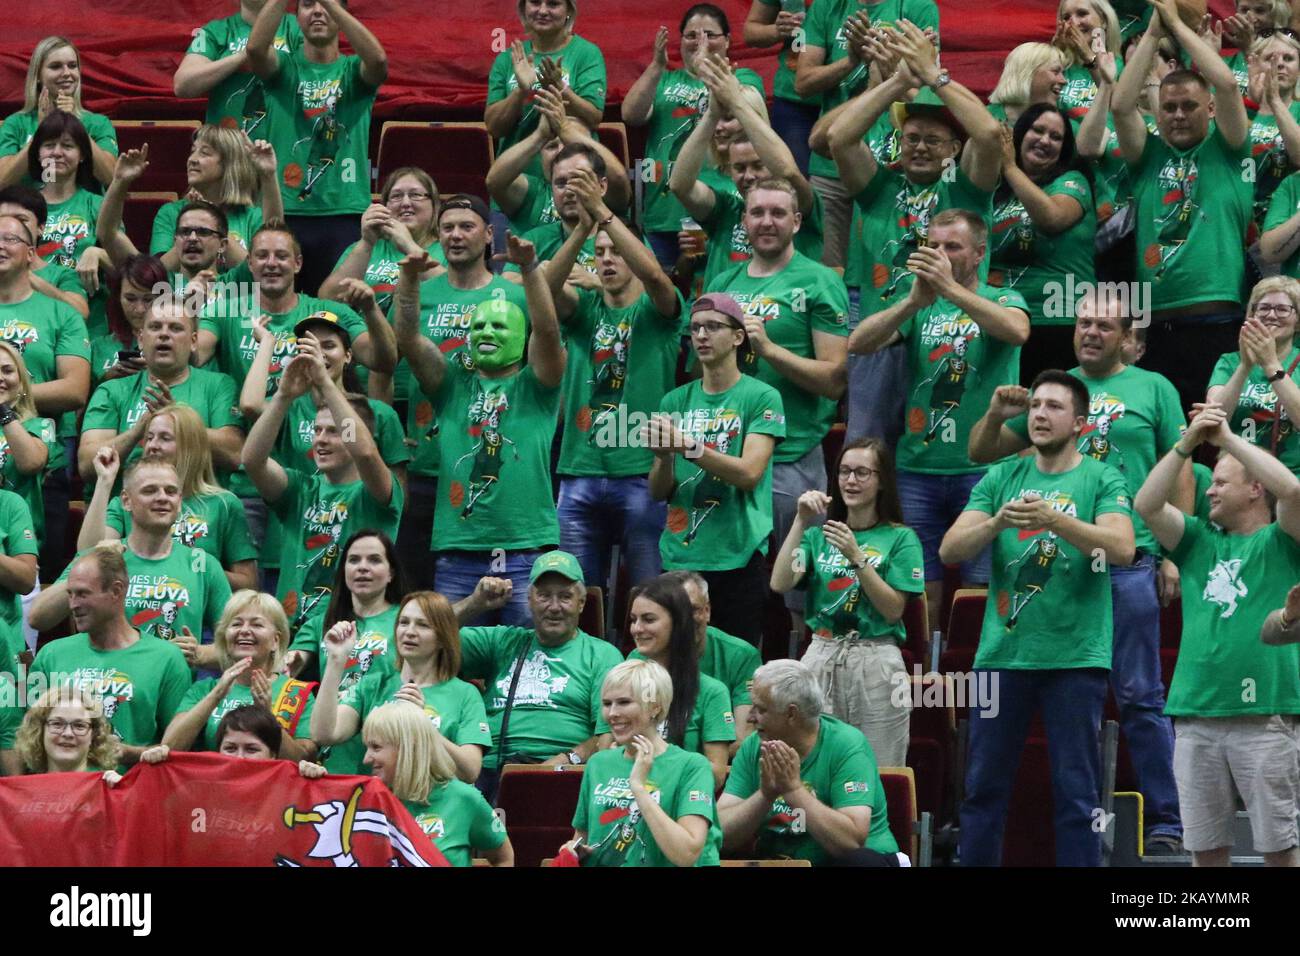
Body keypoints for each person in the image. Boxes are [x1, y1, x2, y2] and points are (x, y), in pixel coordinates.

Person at [968, 294, 1190, 853]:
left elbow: (1178, 466)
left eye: (1104, 324)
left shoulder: (1154, 387)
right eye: (1083, 321)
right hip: (1060, 565)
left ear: (1128, 337)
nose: (1091, 331)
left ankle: (1166, 820)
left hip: (1129, 558)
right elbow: (984, 450)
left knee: (1140, 695)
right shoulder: (1053, 391)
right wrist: (998, 412)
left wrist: (1172, 554)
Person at [940, 370, 1135, 866]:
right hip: (1002, 657)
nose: (1040, 415)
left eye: (1053, 407)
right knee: (982, 789)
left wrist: (1056, 520)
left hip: (1075, 657)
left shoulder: (1101, 476)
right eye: (1036, 406)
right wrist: (996, 522)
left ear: (1080, 423)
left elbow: (1122, 548)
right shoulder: (1002, 476)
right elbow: (949, 549)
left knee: (1077, 793)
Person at [1136, 403, 1300, 867]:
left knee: (1279, 849)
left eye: (1221, 482)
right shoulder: (1196, 541)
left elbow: (1291, 487)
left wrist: (1226, 438)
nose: (1208, 491)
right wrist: (1188, 442)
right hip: (1196, 715)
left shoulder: (1283, 540)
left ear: (1254, 489)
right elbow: (1146, 504)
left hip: (1267, 714)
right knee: (1204, 851)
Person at [850, 208, 1029, 630]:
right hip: (918, 468)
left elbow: (1016, 332)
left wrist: (949, 289)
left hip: (985, 471)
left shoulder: (1003, 297)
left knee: (981, 588)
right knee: (921, 589)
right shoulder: (919, 303)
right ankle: (929, 681)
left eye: (952, 246)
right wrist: (913, 301)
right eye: (934, 246)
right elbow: (860, 343)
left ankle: (975, 679)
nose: (941, 254)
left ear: (980, 252)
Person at [828, 25, 1002, 458]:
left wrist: (935, 75)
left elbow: (989, 135)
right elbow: (839, 138)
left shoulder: (966, 191)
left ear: (953, 148)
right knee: (867, 453)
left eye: (933, 140)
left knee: (946, 453)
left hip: (950, 334)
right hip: (883, 336)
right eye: (912, 137)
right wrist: (898, 84)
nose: (920, 147)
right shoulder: (878, 189)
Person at [196, 219, 397, 556]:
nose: (271, 263)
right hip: (251, 481)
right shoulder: (226, 308)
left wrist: (371, 310)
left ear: (298, 263)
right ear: (249, 263)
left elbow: (382, 360)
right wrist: (189, 304)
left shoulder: (328, 313)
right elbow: (195, 353)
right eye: (261, 255)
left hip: (313, 482)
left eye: (281, 255)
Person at [395, 233, 563, 623]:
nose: (487, 333)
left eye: (500, 328)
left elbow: (549, 331)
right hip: (458, 553)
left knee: (522, 666)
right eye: (480, 326)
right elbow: (407, 338)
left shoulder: (536, 386)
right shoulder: (451, 384)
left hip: (526, 551)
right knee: (449, 660)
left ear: (520, 339)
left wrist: (530, 268)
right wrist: (408, 280)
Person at [703, 177, 848, 631]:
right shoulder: (722, 284)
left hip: (790, 459)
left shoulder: (820, 280)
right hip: (726, 460)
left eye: (778, 213)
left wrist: (770, 352)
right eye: (757, 212)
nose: (766, 221)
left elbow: (835, 380)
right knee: (729, 585)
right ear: (743, 221)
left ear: (797, 221)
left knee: (797, 591)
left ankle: (798, 688)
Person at [543, 162, 683, 591]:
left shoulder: (658, 311)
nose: (606, 259)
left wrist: (603, 214)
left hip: (640, 472)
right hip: (579, 470)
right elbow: (546, 288)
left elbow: (657, 276)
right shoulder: (585, 309)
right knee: (575, 599)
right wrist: (582, 231)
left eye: (617, 251)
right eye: (600, 254)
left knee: (650, 595)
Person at [1112, 0, 1252, 414]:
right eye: (1168, 107)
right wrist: (1154, 33)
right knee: (1164, 441)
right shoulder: (1147, 157)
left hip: (1217, 321)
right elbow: (1121, 106)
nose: (1176, 115)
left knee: (1217, 434)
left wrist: (1176, 23)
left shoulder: (1227, 150)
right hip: (1155, 325)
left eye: (1188, 106)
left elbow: (1225, 83)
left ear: (1209, 110)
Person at [389, 195, 527, 593]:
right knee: (415, 587)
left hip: (487, 462)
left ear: (488, 235)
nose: (455, 235)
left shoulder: (513, 295)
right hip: (424, 463)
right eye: (447, 227)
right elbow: (391, 356)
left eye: (466, 227)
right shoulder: (421, 292)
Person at [771, 438, 924, 767]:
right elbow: (780, 582)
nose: (851, 480)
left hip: (876, 657)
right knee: (815, 766)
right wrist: (800, 521)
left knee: (880, 767)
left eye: (862, 472)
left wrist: (857, 557)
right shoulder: (817, 537)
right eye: (844, 472)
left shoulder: (901, 538)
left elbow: (894, 608)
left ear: (882, 480)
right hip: (821, 653)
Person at [647, 294, 785, 644]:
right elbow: (658, 491)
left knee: (736, 661)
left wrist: (688, 446)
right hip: (682, 554)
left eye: (713, 326)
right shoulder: (675, 400)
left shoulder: (762, 396)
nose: (701, 336)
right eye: (695, 328)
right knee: (676, 663)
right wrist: (664, 456)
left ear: (738, 337)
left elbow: (749, 472)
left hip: (738, 555)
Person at [242, 345, 402, 641]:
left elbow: (365, 453)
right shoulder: (301, 488)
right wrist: (283, 396)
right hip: (291, 630)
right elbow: (252, 460)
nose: (321, 440)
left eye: (333, 431)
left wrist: (326, 384)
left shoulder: (375, 492)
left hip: (354, 633)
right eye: (317, 431)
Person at [246, 0, 388, 295]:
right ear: (295, 15)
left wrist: (331, 6)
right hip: (286, 210)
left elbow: (377, 61)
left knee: (337, 315)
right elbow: (255, 50)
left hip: (345, 213)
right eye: (308, 4)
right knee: (278, 307)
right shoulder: (284, 67)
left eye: (327, 3)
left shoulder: (352, 70)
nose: (318, 10)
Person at [33, 456, 233, 664]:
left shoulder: (203, 564)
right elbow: (39, 617)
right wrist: (93, 567)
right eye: (150, 490)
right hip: (103, 685)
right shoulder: (103, 556)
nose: (162, 497)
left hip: (176, 691)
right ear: (126, 501)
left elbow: (236, 646)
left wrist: (201, 653)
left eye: (171, 491)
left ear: (180, 502)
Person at [456, 552, 623, 796]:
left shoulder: (602, 655)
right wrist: (475, 604)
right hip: (488, 770)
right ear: (530, 600)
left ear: (582, 603)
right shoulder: (502, 641)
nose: (554, 607)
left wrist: (569, 758)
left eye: (565, 597)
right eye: (544, 596)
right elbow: (427, 635)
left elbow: (609, 734)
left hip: (560, 775)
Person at [798, 0, 940, 270]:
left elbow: (930, 88)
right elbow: (803, 83)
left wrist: (892, 75)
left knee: (888, 267)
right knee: (830, 272)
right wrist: (853, 61)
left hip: (892, 162)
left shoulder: (920, 7)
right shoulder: (826, 6)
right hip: (831, 167)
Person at [622, 5, 768, 268]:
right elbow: (631, 115)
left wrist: (705, 70)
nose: (701, 42)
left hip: (722, 208)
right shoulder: (665, 80)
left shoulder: (742, 77)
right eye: (691, 35)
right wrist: (657, 66)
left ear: (728, 40)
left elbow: (747, 111)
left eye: (710, 35)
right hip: (664, 211)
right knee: (668, 294)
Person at [718, 658, 902, 866]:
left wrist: (794, 791)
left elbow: (850, 843)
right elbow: (719, 834)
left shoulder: (847, 745)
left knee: (860, 862)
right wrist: (765, 795)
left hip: (848, 862)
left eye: (761, 710)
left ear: (791, 713)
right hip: (778, 860)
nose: (750, 718)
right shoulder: (754, 746)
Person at [669, 52, 824, 290]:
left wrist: (736, 103)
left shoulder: (797, 203)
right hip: (721, 318)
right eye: (739, 168)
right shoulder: (727, 210)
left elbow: (788, 172)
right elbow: (679, 185)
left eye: (758, 165)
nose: (749, 176)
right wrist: (712, 113)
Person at [28, 546, 192, 765]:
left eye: (83, 594)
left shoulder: (167, 659)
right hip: (65, 792)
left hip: (132, 791)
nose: (73, 605)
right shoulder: (50, 655)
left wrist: (129, 753)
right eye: (70, 594)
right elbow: (30, 741)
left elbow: (180, 749)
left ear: (116, 591)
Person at [312, 589, 491, 780]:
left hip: (435, 806)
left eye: (423, 625)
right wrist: (336, 660)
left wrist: (423, 727)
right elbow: (324, 734)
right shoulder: (374, 684)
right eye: (404, 622)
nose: (409, 632)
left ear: (442, 638)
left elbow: (470, 770)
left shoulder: (465, 693)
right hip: (377, 803)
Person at [79, 405, 258, 592]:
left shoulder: (224, 503)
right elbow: (88, 553)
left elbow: (248, 583)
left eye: (165, 438)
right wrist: (105, 481)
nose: (153, 445)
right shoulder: (129, 501)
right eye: (149, 438)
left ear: (191, 446)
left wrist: (195, 567)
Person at [565, 659, 722, 866]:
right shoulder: (598, 763)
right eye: (606, 704)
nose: (612, 713)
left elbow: (686, 854)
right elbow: (583, 836)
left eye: (624, 702)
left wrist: (639, 788)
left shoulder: (692, 766)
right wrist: (572, 850)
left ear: (655, 707)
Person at [77, 296, 244, 484]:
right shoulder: (111, 390)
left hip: (199, 509)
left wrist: (178, 421)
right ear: (141, 339)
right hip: (127, 508)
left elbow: (234, 454)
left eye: (176, 328)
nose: (164, 334)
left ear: (193, 341)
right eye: (155, 327)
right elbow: (86, 464)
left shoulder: (218, 385)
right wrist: (136, 433)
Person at [991, 104, 1098, 384]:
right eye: (1037, 130)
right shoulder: (995, 190)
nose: (1044, 140)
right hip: (1005, 321)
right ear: (1020, 134)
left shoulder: (1073, 181)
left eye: (1056, 137)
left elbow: (1052, 219)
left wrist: (1010, 168)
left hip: (1057, 321)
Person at [98, 129, 282, 276]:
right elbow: (159, 273)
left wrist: (210, 217)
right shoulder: (171, 212)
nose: (192, 159)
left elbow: (261, 268)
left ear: (229, 164)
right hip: (179, 310)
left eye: (205, 153)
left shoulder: (251, 216)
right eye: (193, 151)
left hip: (235, 311)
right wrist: (120, 181)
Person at [612, 576, 735, 788]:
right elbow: (608, 751)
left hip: (681, 805)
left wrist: (653, 762)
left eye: (648, 619)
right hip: (624, 796)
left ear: (679, 623)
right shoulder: (622, 682)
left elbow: (716, 775)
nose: (637, 629)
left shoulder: (712, 692)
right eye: (634, 620)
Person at [162, 590, 316, 759]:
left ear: (275, 641)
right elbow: (169, 748)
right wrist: (216, 696)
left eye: (256, 625)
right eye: (236, 624)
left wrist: (267, 716)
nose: (244, 630)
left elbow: (303, 760)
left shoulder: (297, 692)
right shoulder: (204, 689)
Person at [361, 701, 513, 867]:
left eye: (375, 747)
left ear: (408, 747)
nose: (366, 759)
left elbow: (504, 857)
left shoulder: (465, 799)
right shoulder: (366, 802)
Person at [485, 85, 631, 242]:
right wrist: (540, 136)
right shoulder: (533, 193)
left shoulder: (602, 190)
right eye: (551, 146)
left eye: (569, 144)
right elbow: (494, 182)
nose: (561, 151)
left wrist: (565, 129)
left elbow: (618, 176)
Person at [485, 0, 606, 186]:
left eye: (553, 4)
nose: (542, 11)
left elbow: (593, 117)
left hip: (572, 180)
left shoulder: (587, 53)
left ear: (568, 11)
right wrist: (521, 91)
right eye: (534, 3)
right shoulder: (507, 58)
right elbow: (494, 128)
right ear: (524, 9)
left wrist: (560, 88)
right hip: (516, 182)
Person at [1208, 277, 1300, 475]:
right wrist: (1244, 367)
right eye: (1263, 308)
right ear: (1251, 315)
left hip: (1292, 475)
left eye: (1282, 309)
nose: (1271, 315)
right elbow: (1212, 422)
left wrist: (1270, 364)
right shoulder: (1229, 362)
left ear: (1298, 321)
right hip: (1237, 476)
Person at [284, 529, 403, 681]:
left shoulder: (405, 619)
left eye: (374, 560)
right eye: (354, 560)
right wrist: (292, 661)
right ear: (343, 570)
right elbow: (294, 661)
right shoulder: (318, 624)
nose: (362, 567)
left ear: (391, 573)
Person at [664, 569, 761, 753]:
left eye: (692, 609)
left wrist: (682, 764)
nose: (684, 620)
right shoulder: (641, 657)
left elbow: (743, 738)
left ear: (707, 611)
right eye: (675, 611)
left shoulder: (741, 656)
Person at [0, 37, 117, 189]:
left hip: (83, 211)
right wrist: (41, 133)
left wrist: (76, 126)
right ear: (38, 77)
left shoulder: (98, 123)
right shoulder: (16, 123)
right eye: (56, 67)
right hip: (30, 209)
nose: (67, 73)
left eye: (72, 66)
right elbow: (3, 181)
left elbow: (111, 178)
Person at [173, 0, 303, 131]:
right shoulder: (213, 31)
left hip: (285, 145)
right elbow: (182, 85)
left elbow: (317, 79)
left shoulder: (300, 27)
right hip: (226, 147)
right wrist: (242, 56)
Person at [19, 112, 103, 280]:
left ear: (82, 155)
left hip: (87, 300)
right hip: (36, 298)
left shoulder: (97, 204)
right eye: (49, 145)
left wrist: (99, 253)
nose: (57, 153)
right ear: (38, 154)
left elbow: (125, 263)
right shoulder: (22, 206)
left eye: (67, 146)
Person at [743, 0, 820, 176]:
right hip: (794, 101)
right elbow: (751, 31)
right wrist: (777, 30)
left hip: (844, 94)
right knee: (795, 181)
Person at [0, 340, 57, 557]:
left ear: (22, 384)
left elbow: (31, 463)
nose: (0, 377)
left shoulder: (41, 426)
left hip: (20, 550)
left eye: (7, 370)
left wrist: (3, 412)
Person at [0, 184, 90, 318]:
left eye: (21, 219)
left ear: (41, 228)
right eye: (2, 219)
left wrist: (24, 276)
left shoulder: (63, 274)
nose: (12, 226)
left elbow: (80, 313)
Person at [92, 254, 164, 387]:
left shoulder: (175, 345)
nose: (140, 309)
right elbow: (81, 404)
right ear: (118, 297)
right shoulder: (98, 348)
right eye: (130, 299)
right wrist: (106, 381)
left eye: (148, 299)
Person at [12, 686, 120, 775]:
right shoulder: (20, 795)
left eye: (79, 726)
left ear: (94, 734)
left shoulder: (110, 791)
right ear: (40, 732)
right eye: (57, 724)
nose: (68, 733)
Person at [988, 42, 1069, 127]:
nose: (1064, 81)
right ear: (1028, 73)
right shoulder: (982, 120)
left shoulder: (1064, 126)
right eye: (1056, 71)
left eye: (1063, 73)